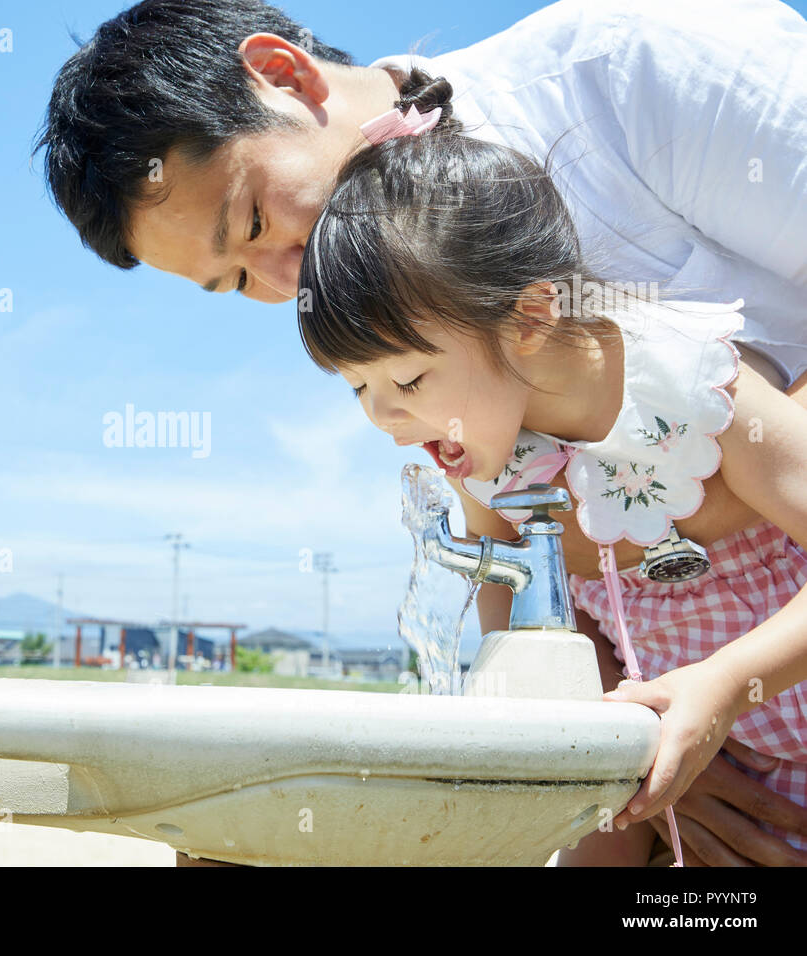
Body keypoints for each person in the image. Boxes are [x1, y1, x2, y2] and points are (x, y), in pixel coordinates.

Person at [36, 0, 807, 866]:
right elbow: (535, 589)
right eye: (233, 282)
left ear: (283, 75)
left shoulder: (631, 67)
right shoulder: (410, 334)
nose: (285, 281)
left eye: (253, 222)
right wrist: (624, 750)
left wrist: (725, 687)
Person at [296, 113, 807, 864]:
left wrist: (729, 683)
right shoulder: (487, 470)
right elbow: (547, 673)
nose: (386, 422)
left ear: (531, 317)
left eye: (406, 380)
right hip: (718, 771)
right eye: (360, 391)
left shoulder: (698, 387)